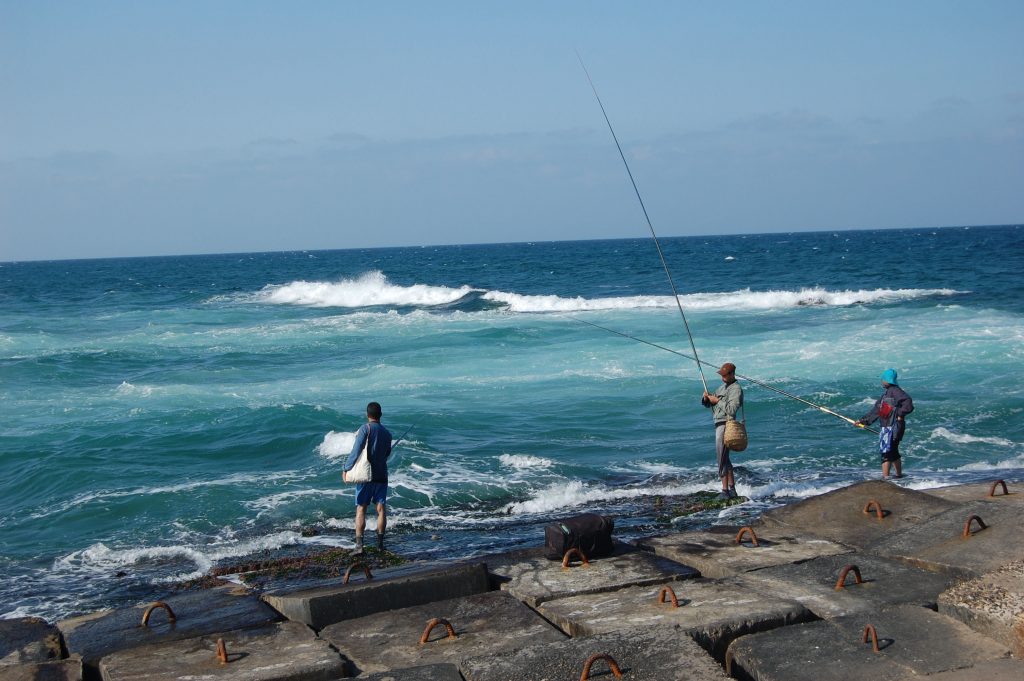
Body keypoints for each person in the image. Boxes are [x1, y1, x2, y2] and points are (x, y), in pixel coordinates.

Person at [343, 401, 393, 553]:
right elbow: (386, 454)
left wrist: (346, 468)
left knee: (361, 509)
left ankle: (359, 546)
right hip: (381, 475)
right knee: (381, 509)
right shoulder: (387, 433)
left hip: (366, 476)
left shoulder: (366, 428)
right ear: (380, 415)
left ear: (367, 414)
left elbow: (356, 450)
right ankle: (380, 544)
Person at [857, 369, 914, 479]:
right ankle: (899, 476)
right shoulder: (886, 395)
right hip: (889, 427)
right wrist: (863, 421)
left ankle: (886, 479)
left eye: (883, 379)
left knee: (886, 453)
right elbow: (876, 411)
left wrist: (900, 414)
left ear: (887, 380)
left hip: (892, 427)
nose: (881, 381)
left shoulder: (895, 392)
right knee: (893, 451)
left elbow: (908, 402)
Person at [702, 362, 744, 499]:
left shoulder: (736, 389)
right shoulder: (722, 387)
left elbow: (732, 409)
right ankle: (732, 490)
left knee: (721, 458)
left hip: (726, 424)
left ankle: (725, 491)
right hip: (719, 424)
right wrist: (706, 398)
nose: (722, 378)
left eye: (725, 375)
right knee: (725, 458)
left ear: (732, 374)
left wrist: (717, 401)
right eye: (722, 375)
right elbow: (709, 403)